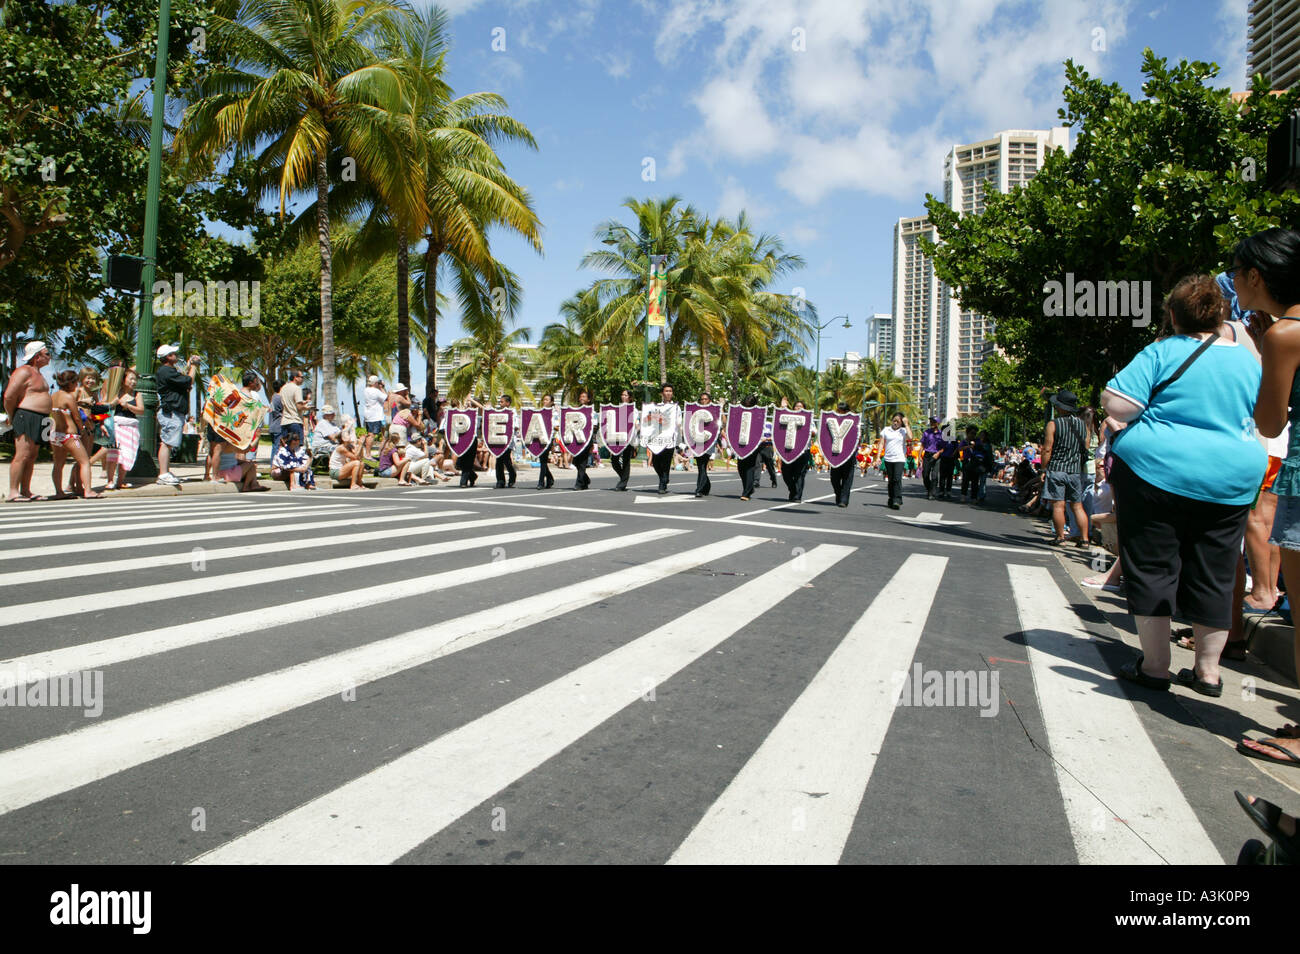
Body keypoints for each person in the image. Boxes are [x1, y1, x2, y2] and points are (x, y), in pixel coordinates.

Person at [1102, 274, 1265, 699]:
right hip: (1232, 477)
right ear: (1222, 315)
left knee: (1153, 565)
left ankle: (1155, 666)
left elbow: (1118, 404)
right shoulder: (1249, 359)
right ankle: (1208, 672)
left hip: (1157, 471)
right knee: (1216, 570)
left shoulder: (1162, 350)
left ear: (1172, 314)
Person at [1222, 229, 1300, 763]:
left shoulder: (1285, 335)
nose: (1232, 283)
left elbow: (1269, 419)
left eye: (1236, 272)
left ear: (1256, 275)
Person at [4, 341, 52, 501]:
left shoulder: (39, 374)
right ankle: (13, 491)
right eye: (47, 354)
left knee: (32, 455)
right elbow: (9, 396)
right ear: (37, 356)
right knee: (22, 454)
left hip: (42, 418)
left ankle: (25, 490)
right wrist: (11, 416)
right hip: (26, 415)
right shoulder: (24, 371)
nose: (49, 356)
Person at [1040, 390, 1090, 545]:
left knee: (1058, 505)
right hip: (1075, 470)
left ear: (1060, 407)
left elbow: (1047, 448)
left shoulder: (1053, 424)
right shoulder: (1083, 425)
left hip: (1057, 468)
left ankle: (1060, 536)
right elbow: (1086, 447)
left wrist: (1043, 468)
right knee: (1077, 506)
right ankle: (1085, 539)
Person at [49, 369, 99, 498]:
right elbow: (77, 417)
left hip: (56, 435)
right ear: (71, 383)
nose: (77, 385)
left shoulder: (53, 396)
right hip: (69, 436)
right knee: (84, 461)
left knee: (58, 464)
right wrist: (82, 429)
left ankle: (59, 492)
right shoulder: (68, 397)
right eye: (76, 382)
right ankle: (88, 490)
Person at [155, 345, 199, 485]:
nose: (176, 355)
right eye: (173, 353)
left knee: (169, 443)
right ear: (168, 356)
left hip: (173, 411)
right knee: (167, 443)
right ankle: (163, 473)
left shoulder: (168, 371)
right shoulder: (167, 371)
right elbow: (188, 381)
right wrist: (194, 366)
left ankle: (165, 472)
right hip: (171, 412)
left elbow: (183, 382)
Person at [641, 384, 681, 495]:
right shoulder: (657, 406)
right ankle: (664, 477)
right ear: (662, 393)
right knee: (656, 461)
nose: (668, 393)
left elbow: (678, 422)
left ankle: (662, 484)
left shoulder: (676, 407)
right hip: (657, 439)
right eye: (666, 391)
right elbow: (650, 419)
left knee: (666, 462)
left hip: (670, 439)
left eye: (670, 391)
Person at [108, 368, 145, 490]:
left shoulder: (137, 394)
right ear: (124, 380)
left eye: (135, 379)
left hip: (131, 426)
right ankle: (110, 481)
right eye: (131, 378)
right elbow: (108, 405)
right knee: (114, 454)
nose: (133, 382)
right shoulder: (117, 392)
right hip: (117, 425)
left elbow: (141, 410)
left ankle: (120, 481)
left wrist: (127, 405)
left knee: (127, 455)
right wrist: (115, 402)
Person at [877, 412, 911, 510]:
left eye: (898, 421)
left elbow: (910, 437)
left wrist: (907, 424)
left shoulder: (903, 430)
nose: (895, 423)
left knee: (897, 479)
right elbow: (881, 443)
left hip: (899, 458)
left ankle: (897, 499)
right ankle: (891, 498)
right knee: (891, 480)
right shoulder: (886, 430)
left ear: (901, 423)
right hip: (888, 458)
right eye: (894, 420)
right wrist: (878, 457)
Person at [780, 400, 812, 503]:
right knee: (786, 472)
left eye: (801, 406)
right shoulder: (788, 416)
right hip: (788, 450)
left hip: (803, 451)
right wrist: (782, 408)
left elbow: (814, 431)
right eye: (796, 406)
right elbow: (779, 425)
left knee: (799, 474)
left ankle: (797, 496)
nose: (798, 408)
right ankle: (793, 490)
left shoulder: (808, 418)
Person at [828, 401, 857, 508]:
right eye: (838, 411)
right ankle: (839, 494)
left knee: (847, 478)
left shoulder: (854, 421)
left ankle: (844, 500)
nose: (839, 413)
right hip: (835, 454)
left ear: (846, 411)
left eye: (841, 411)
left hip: (849, 455)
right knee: (834, 478)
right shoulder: (833, 420)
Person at [608, 388, 637, 492]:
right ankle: (623, 478)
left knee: (626, 461)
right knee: (614, 460)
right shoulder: (617, 408)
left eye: (626, 395)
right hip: (616, 438)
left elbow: (634, 424)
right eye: (622, 395)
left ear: (630, 397)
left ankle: (622, 483)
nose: (624, 396)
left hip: (628, 438)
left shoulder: (634, 409)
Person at [278, 369, 308, 451]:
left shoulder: (283, 388)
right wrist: (308, 408)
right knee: (297, 448)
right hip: (295, 421)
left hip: (284, 421)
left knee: (285, 447)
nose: (302, 379)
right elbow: (299, 407)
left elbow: (287, 403)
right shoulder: (297, 388)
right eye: (301, 377)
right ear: (296, 378)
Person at [572, 388, 596, 490]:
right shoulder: (575, 410)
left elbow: (594, 426)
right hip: (577, 439)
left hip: (587, 440)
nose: (581, 398)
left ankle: (579, 483)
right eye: (581, 396)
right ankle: (585, 480)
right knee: (575, 462)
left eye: (584, 397)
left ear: (588, 400)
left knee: (582, 462)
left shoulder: (592, 412)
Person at [692, 390, 714, 497]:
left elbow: (722, 422)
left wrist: (722, 407)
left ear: (709, 400)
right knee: (701, 466)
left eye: (706, 399)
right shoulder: (696, 410)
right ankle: (706, 486)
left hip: (708, 441)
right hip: (697, 441)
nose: (704, 401)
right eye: (702, 399)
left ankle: (699, 489)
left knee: (702, 465)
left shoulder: (714, 410)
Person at [493, 394, 518, 488]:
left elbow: (515, 427)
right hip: (499, 439)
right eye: (500, 401)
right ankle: (500, 481)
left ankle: (512, 475)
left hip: (509, 440)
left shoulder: (513, 413)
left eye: (502, 402)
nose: (500, 403)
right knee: (499, 459)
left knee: (506, 460)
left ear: (508, 403)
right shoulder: (498, 412)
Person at [362, 375, 388, 458]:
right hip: (375, 416)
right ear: (376, 383)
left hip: (368, 415)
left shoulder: (366, 390)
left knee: (370, 434)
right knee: (372, 435)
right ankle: (368, 454)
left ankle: (367, 453)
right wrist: (382, 387)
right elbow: (386, 397)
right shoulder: (376, 391)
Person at [535, 394, 557, 489]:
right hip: (539, 438)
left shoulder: (555, 413)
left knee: (543, 460)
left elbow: (557, 426)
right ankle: (550, 478)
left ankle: (541, 482)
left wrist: (549, 425)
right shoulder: (539, 412)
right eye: (544, 399)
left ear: (551, 402)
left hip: (548, 438)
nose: (545, 401)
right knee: (542, 460)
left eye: (547, 400)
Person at [920, 417, 943, 499]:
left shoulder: (942, 434)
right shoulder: (926, 432)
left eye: (934, 422)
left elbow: (945, 447)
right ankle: (929, 488)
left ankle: (932, 492)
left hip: (937, 456)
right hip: (927, 455)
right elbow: (922, 445)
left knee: (934, 476)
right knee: (925, 474)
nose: (932, 423)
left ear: (938, 423)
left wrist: (938, 453)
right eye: (931, 422)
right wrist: (919, 456)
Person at [267, 379, 284, 463]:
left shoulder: (274, 397)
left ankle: (272, 467)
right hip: (278, 426)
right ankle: (274, 468)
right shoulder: (279, 398)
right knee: (277, 448)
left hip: (273, 426)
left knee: (275, 448)